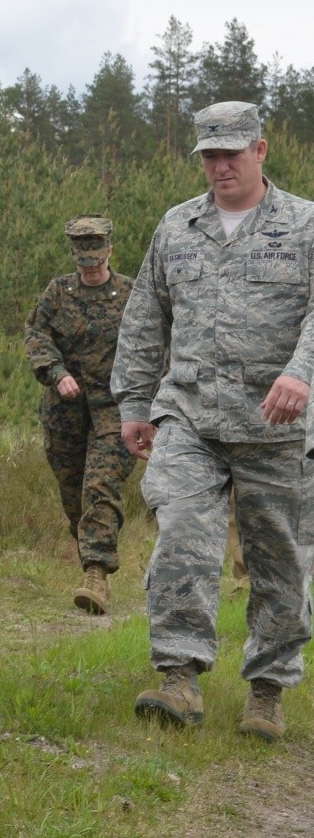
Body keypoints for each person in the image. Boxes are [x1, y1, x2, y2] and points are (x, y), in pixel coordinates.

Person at [112, 100, 314, 742]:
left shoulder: (305, 225)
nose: (220, 166)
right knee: (180, 535)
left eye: (232, 152)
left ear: (261, 150)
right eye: (209, 155)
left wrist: (302, 371)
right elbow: (146, 317)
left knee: (278, 559)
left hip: (276, 425)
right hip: (190, 417)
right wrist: (134, 405)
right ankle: (178, 677)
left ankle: (267, 690)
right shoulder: (177, 226)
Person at [24, 215, 138, 616]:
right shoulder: (58, 292)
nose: (90, 268)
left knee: (100, 485)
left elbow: (150, 344)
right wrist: (57, 374)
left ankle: (96, 573)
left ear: (109, 251)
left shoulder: (130, 294)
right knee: (73, 492)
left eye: (96, 261)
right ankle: (89, 552)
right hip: (65, 410)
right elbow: (36, 336)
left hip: (114, 407)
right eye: (83, 262)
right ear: (74, 257)